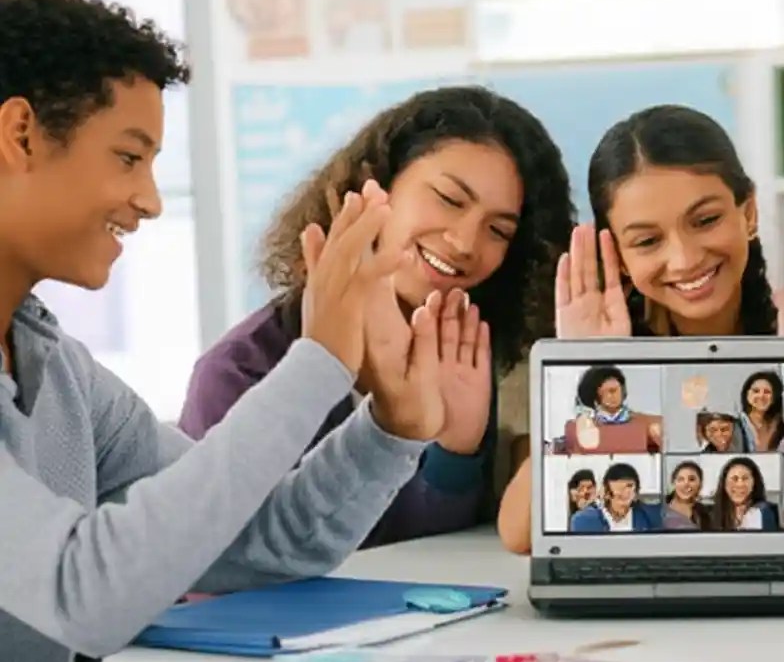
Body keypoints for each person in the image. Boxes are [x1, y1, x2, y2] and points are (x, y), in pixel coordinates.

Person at [0, 0, 463, 662]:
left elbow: (258, 540)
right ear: (21, 135)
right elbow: (80, 597)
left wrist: (391, 428)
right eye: (128, 157)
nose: (150, 200)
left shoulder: (56, 368)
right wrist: (319, 362)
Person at [179, 85, 575, 547]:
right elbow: (226, 563)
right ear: (375, 185)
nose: (466, 242)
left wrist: (456, 453)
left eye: (498, 230)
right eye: (449, 199)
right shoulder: (240, 372)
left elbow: (440, 556)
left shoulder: (478, 359)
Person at [497, 104, 784, 554]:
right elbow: (519, 533)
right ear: (619, 255)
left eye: (705, 221)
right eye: (647, 241)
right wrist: (581, 364)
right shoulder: (606, 346)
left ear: (749, 212)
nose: (684, 259)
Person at [557, 365, 661, 454]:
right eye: (607, 391)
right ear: (594, 394)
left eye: (616, 390)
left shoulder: (647, 424)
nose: (612, 395)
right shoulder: (578, 428)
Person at [567, 463, 661, 533]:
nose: (624, 495)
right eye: (618, 496)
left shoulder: (651, 516)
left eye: (629, 487)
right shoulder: (583, 520)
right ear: (606, 493)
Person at [708, 457, 779, 531]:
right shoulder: (712, 514)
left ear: (754, 483)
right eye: (734, 479)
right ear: (724, 484)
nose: (740, 484)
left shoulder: (763, 511)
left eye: (745, 478)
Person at [736, 370, 784, 451]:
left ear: (775, 397)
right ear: (747, 394)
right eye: (756, 391)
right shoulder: (735, 427)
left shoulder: (783, 427)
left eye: (767, 392)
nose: (761, 396)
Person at [663, 460, 710, 530]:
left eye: (692, 479)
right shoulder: (661, 510)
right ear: (673, 483)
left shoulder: (705, 514)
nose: (686, 484)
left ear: (700, 484)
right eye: (680, 479)